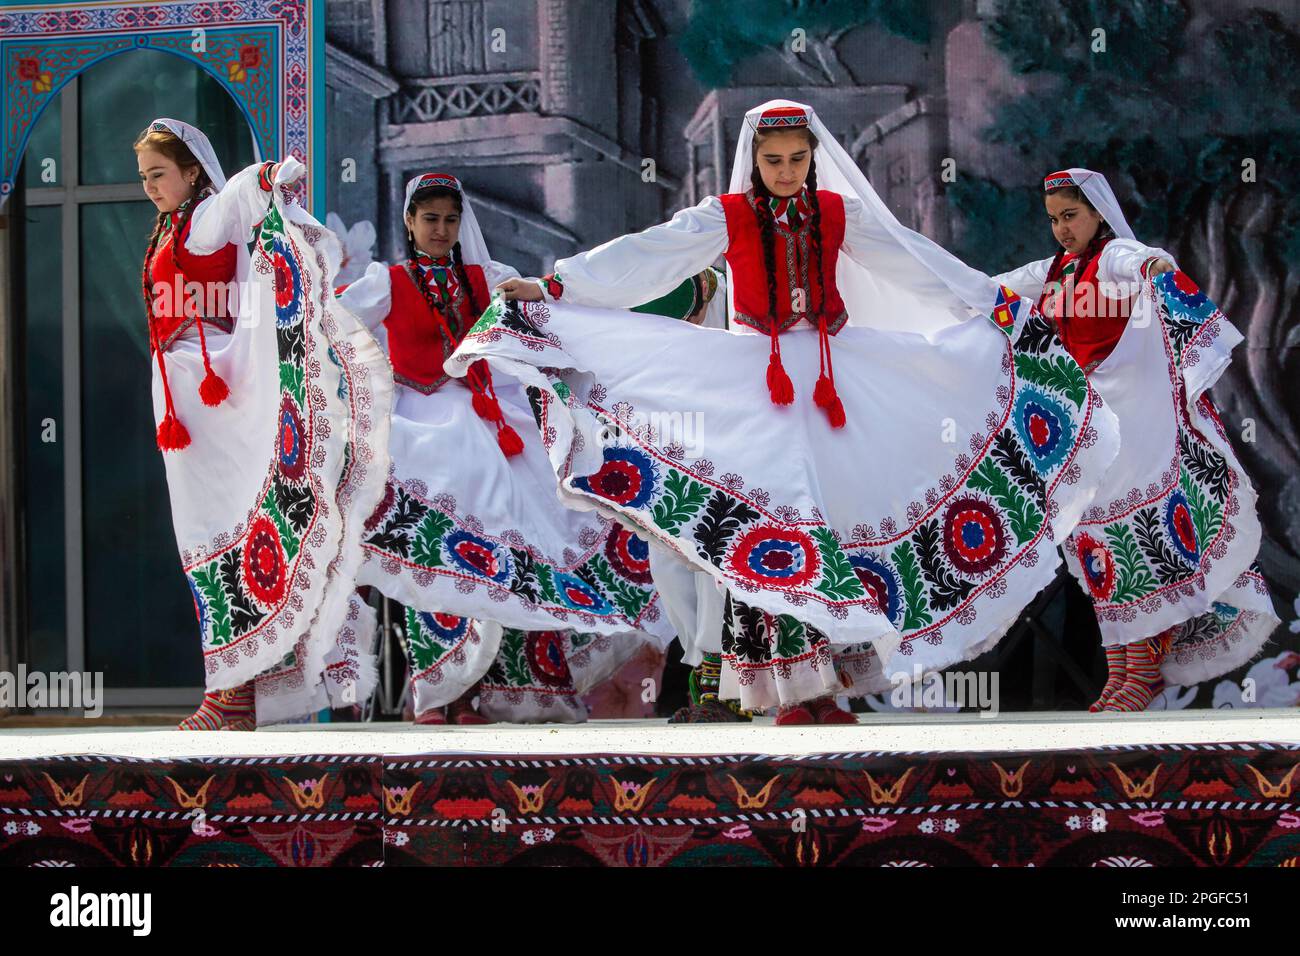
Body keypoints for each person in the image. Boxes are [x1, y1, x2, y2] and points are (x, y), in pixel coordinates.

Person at [461, 99, 1120, 723]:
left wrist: (993, 303)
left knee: (834, 523)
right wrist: (556, 286)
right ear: (756, 160)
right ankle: (788, 689)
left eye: (795, 160)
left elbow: (911, 260)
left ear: (811, 157)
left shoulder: (837, 214)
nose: (784, 171)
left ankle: (829, 685)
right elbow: (649, 256)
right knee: (782, 529)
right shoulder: (726, 215)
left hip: (835, 381)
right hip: (757, 387)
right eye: (773, 160)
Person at [334, 172, 673, 722]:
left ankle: (499, 691)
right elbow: (331, 328)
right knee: (438, 554)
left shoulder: (493, 279)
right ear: (409, 222)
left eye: (449, 219)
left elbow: (542, 329)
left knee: (518, 548)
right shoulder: (386, 282)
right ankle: (442, 691)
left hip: (494, 421)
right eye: (429, 220)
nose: (440, 230)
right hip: (423, 428)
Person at [136, 119, 390, 729]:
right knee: (207, 535)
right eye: (144, 177)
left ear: (192, 171)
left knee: (217, 531)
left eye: (158, 174)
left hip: (206, 390)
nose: (149, 187)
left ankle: (231, 693)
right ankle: (235, 688)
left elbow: (237, 199)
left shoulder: (200, 219)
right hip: (184, 399)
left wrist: (269, 177)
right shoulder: (171, 225)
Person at [993, 168, 1278, 711]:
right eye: (1053, 219)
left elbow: (1140, 260)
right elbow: (999, 291)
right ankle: (1124, 672)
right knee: (1100, 548)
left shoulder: (1114, 258)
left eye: (1070, 215)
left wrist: (1153, 264)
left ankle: (1142, 672)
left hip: (1133, 422)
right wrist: (955, 294)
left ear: (1097, 212)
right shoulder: (1053, 272)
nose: (1061, 228)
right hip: (1088, 429)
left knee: (1133, 542)